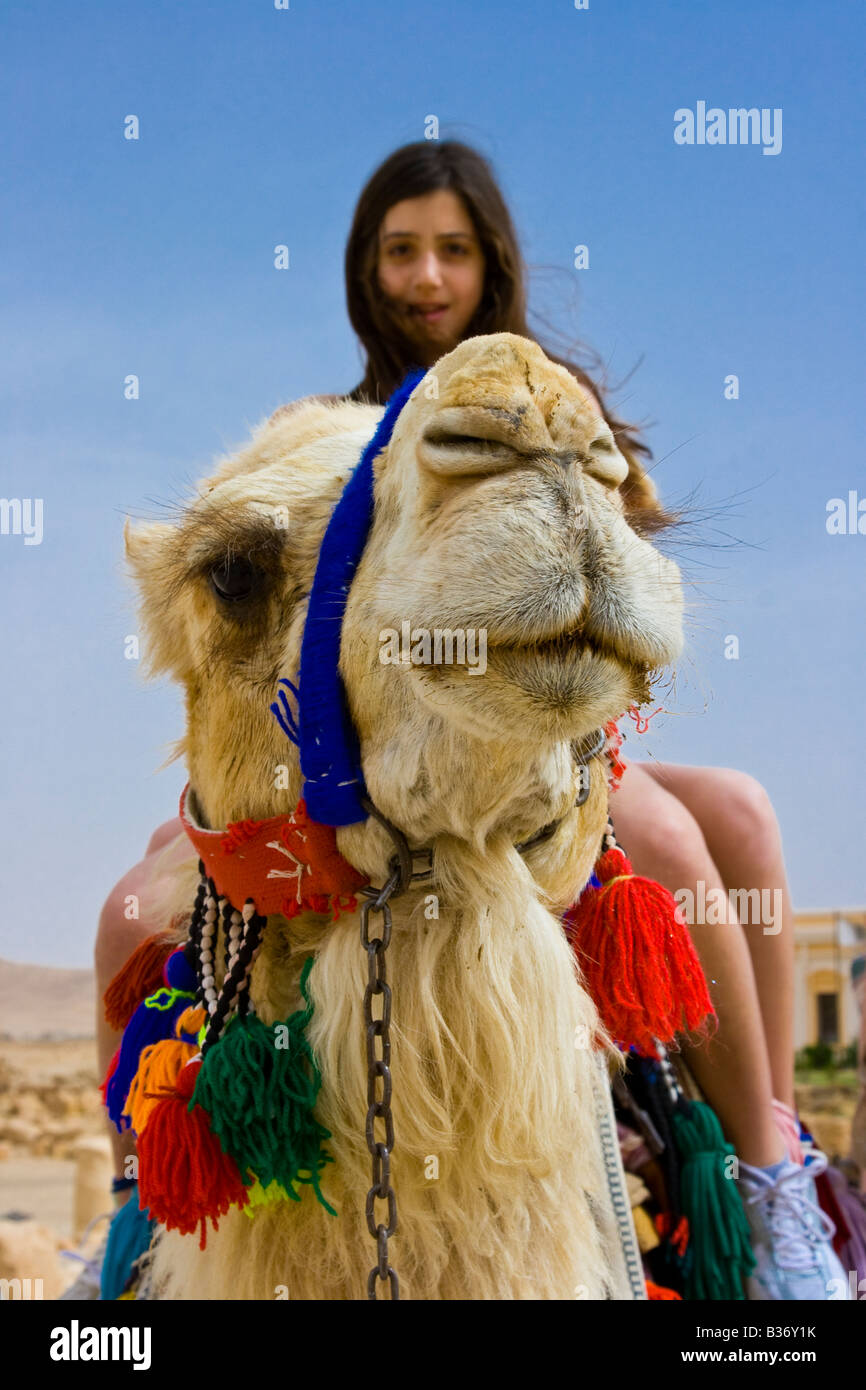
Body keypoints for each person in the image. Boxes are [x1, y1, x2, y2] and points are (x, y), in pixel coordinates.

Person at [96, 139, 844, 1299]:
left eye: (450, 250)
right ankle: (140, 1209)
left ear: (489, 264)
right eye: (400, 252)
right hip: (343, 745)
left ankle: (766, 1174)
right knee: (126, 910)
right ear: (363, 269)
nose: (426, 279)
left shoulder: (551, 410)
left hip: (529, 739)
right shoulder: (326, 428)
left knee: (720, 825)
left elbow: (621, 577)